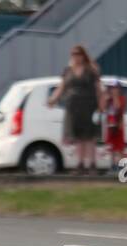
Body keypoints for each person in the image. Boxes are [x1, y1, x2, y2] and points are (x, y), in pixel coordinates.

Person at [47, 45, 103, 175]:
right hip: (73, 108)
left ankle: (92, 165)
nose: (76, 57)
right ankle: (80, 164)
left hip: (89, 106)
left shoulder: (91, 70)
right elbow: (61, 87)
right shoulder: (68, 71)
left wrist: (101, 105)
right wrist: (53, 99)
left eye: (78, 54)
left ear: (83, 55)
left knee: (90, 137)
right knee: (78, 137)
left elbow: (99, 89)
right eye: (73, 54)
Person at [102, 80, 126, 170]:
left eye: (116, 88)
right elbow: (103, 108)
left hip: (118, 124)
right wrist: (106, 98)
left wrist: (115, 97)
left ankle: (121, 165)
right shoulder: (108, 99)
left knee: (119, 146)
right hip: (110, 125)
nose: (113, 90)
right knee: (111, 146)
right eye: (112, 88)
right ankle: (113, 165)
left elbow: (118, 107)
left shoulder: (121, 98)